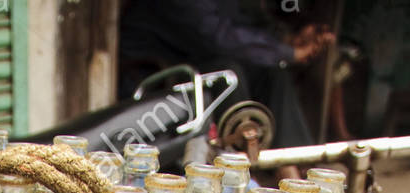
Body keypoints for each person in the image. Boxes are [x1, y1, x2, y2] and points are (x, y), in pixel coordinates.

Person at [117, 0, 334, 146]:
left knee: (273, 73)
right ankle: (239, 159)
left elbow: (244, 22)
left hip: (196, 62)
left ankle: (292, 163)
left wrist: (286, 40)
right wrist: (288, 51)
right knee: (228, 72)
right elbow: (219, 38)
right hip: (158, 82)